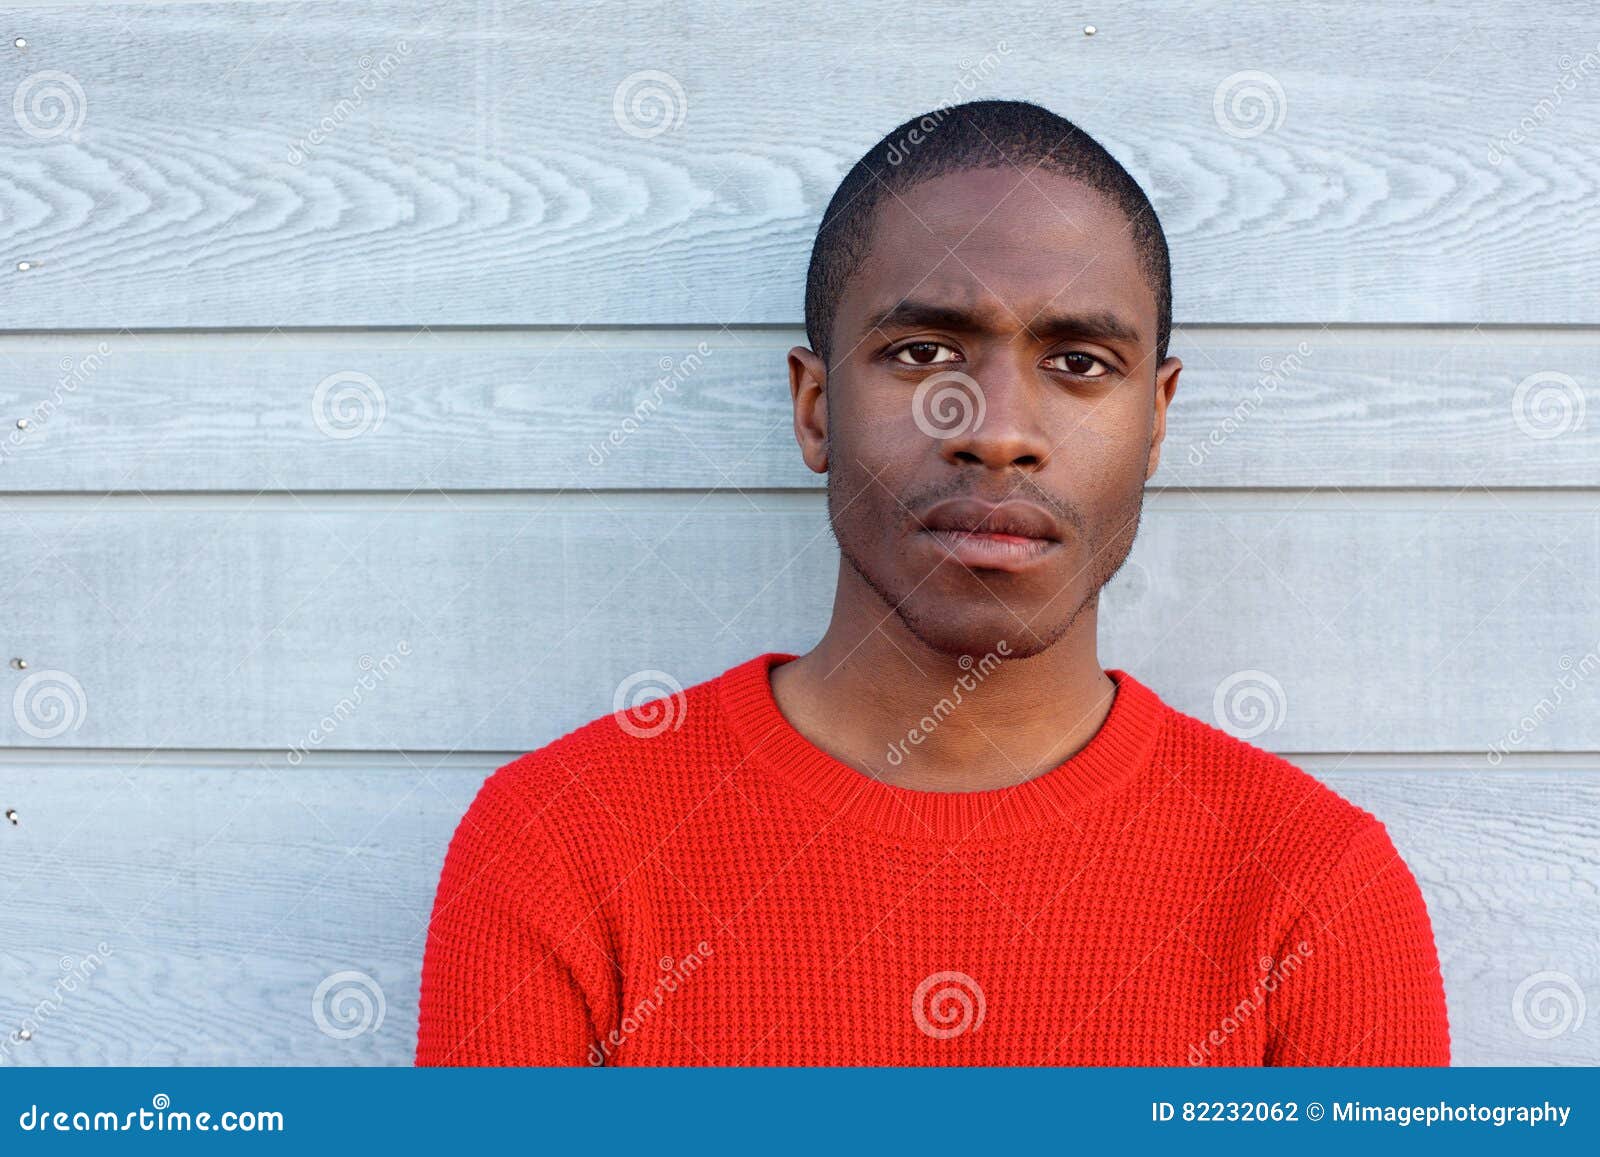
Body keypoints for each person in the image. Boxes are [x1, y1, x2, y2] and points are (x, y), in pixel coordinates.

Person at [415, 99, 1450, 1066]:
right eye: (922, 351)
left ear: (1157, 417)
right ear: (815, 407)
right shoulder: (560, 847)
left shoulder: (1315, 893)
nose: (997, 431)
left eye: (1080, 362)